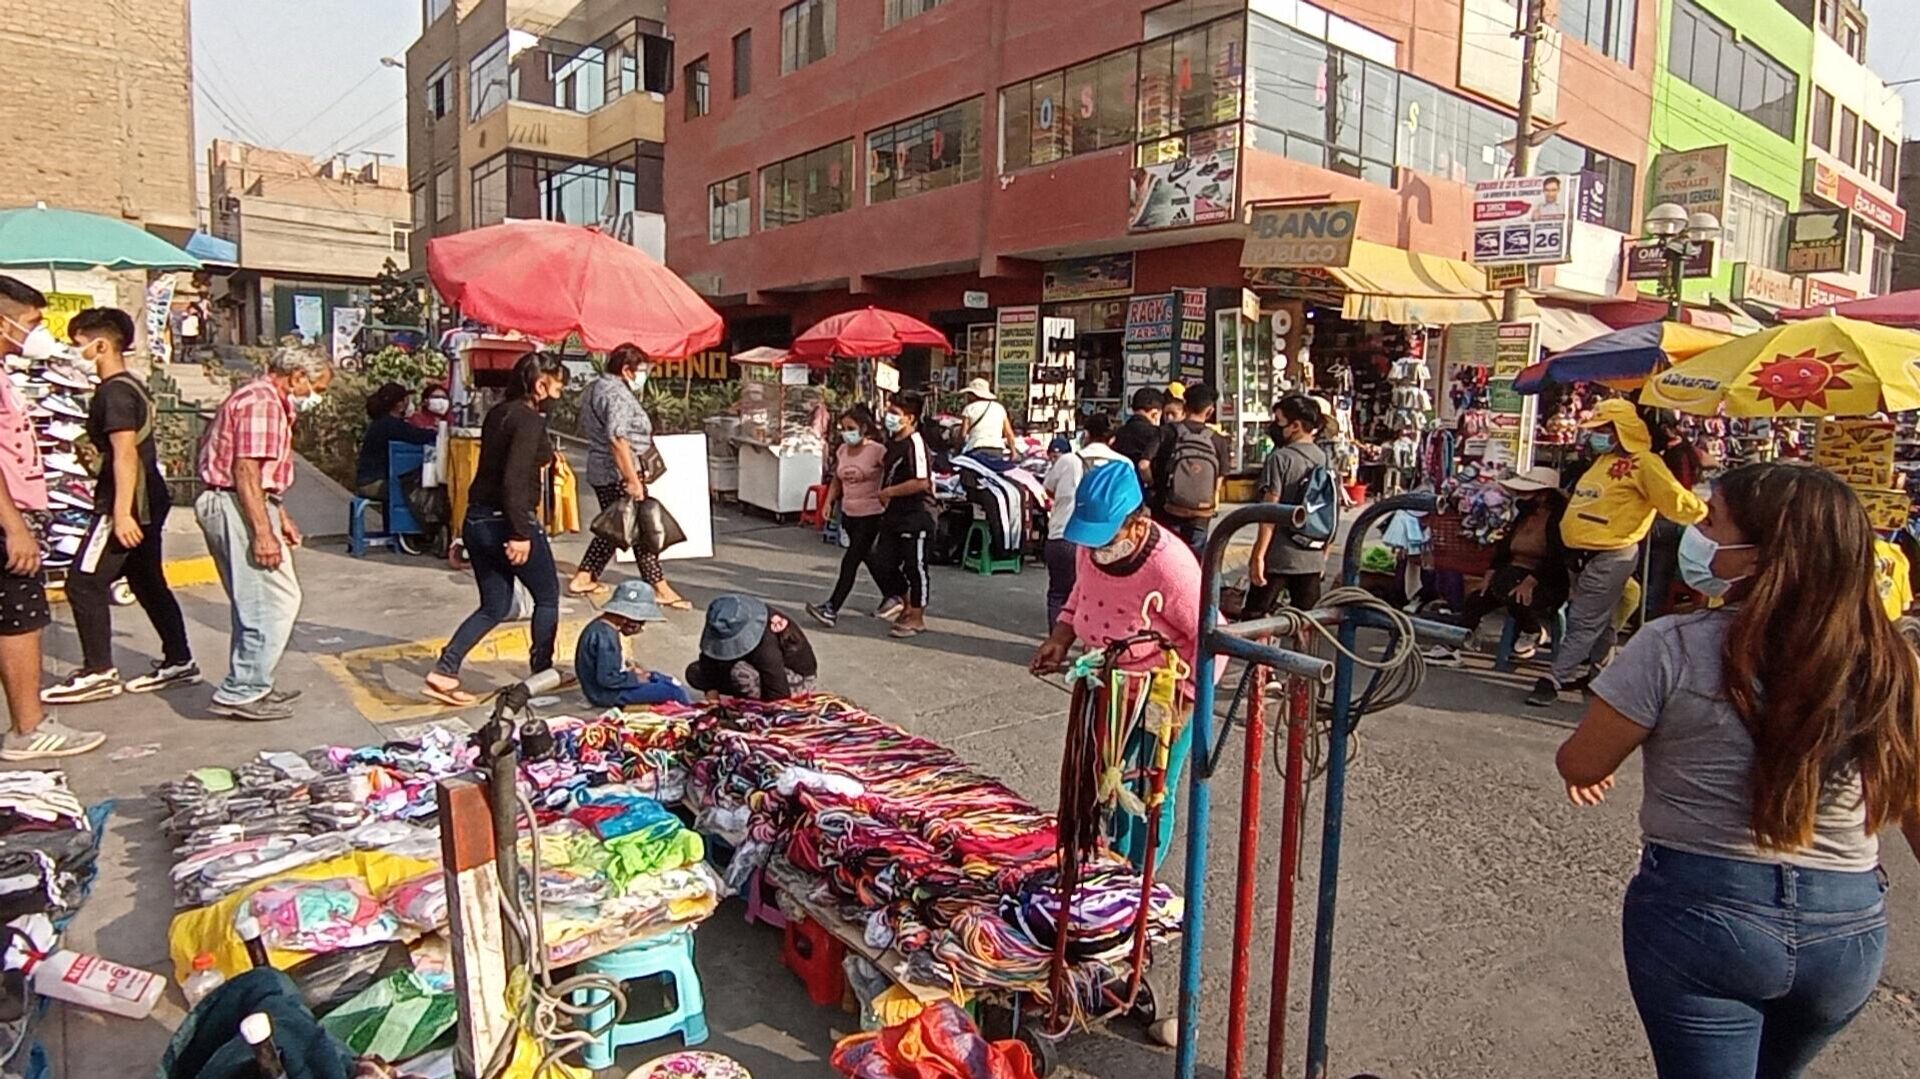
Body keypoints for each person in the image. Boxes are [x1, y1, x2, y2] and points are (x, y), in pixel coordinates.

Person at [1556, 463, 1920, 1079]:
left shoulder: (1672, 644)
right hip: (1847, 929)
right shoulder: (1892, 664)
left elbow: (1583, 760)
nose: (1699, 534)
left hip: (1705, 917)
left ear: (1762, 551)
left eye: (1714, 522)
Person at [1030, 462, 1202, 869]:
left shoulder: (1171, 566)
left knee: (1150, 788)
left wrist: (1186, 698)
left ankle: (1140, 881)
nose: (1098, 549)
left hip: (1162, 689)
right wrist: (1060, 638)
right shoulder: (1090, 550)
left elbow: (1209, 637)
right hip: (1109, 682)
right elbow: (1080, 595)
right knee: (1104, 777)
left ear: (1137, 524)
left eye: (1107, 537)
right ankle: (1114, 859)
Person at [42, 307, 198, 705]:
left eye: (78, 345)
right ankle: (179, 659)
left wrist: (122, 513)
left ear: (101, 345)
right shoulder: (131, 385)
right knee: (146, 580)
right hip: (148, 497)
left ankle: (98, 670)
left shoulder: (114, 392)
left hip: (126, 502)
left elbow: (125, 454)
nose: (74, 352)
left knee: (84, 582)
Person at [1527, 398, 1705, 706]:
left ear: (1620, 429)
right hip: (1580, 556)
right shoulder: (1603, 462)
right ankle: (1600, 674)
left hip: (1610, 554)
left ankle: (1555, 677)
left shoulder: (1646, 463)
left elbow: (1676, 499)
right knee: (1602, 619)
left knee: (1584, 620)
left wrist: (1707, 516)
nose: (1598, 436)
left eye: (1604, 429)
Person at [196, 344, 333, 722]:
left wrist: (279, 514)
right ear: (297, 377)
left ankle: (253, 679)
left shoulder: (260, 398)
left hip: (246, 502)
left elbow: (258, 474)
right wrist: (262, 531)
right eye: (316, 388)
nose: (316, 397)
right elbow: (246, 470)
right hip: (236, 504)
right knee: (271, 602)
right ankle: (243, 689)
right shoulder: (264, 403)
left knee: (259, 599)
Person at [424, 353, 569, 707]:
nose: (562, 390)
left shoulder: (500, 414)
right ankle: (542, 670)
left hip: (478, 519)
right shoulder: (528, 421)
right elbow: (515, 479)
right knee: (547, 597)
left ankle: (445, 669)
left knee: (495, 605)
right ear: (540, 385)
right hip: (509, 520)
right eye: (558, 383)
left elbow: (526, 461)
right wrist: (520, 533)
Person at [0, 278, 100, 758]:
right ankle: (28, 728)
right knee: (19, 620)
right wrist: (14, 524)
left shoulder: (5, 371)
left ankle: (29, 721)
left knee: (22, 616)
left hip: (21, 509)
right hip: (7, 517)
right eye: (32, 323)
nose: (37, 332)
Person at [568, 345, 690, 609]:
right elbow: (618, 438)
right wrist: (632, 479)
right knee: (636, 528)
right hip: (618, 472)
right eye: (641, 370)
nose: (643, 375)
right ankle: (660, 587)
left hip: (603, 469)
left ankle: (585, 576)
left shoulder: (597, 387)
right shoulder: (617, 395)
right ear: (626, 370)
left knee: (617, 527)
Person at [1423, 466, 1570, 667]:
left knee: (1515, 594)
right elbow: (1503, 551)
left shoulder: (1560, 520)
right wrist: (1489, 575)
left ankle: (1532, 630)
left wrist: (1531, 581)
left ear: (1544, 495)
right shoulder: (1524, 515)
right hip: (1511, 574)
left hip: (1545, 580)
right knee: (1477, 599)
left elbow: (1557, 559)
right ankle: (1453, 646)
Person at [1245, 395, 1330, 617]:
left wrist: (1258, 555)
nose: (1275, 427)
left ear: (1296, 426)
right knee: (1307, 622)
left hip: (1279, 556)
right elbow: (1330, 510)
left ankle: (1257, 653)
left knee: (1254, 617)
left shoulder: (1280, 459)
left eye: (1279, 421)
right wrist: (1324, 553)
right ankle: (1302, 653)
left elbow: (1269, 512)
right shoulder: (1324, 459)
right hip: (1312, 555)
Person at [807, 405, 889, 628]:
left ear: (864, 428)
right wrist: (828, 503)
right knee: (868, 556)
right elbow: (837, 480)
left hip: (872, 513)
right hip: (849, 513)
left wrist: (888, 498)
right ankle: (894, 594)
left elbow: (891, 475)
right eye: (843, 428)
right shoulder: (842, 450)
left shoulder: (877, 451)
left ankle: (832, 608)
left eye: (851, 428)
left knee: (850, 560)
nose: (846, 432)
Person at [1040, 412, 1125, 626]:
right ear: (1112, 439)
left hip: (1064, 536)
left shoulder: (1067, 460)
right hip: (1106, 541)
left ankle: (1056, 647)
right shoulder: (1124, 465)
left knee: (1060, 594)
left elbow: (1048, 490)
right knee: (1101, 598)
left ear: (1085, 435)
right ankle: (1093, 648)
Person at [872, 391, 935, 639]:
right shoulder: (893, 443)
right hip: (893, 514)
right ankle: (906, 604)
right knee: (883, 560)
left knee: (915, 566)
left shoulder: (916, 443)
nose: (889, 417)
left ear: (910, 418)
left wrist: (889, 491)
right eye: (889, 411)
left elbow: (922, 482)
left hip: (916, 514)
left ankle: (917, 616)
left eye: (895, 413)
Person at [574, 580, 692, 708]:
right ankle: (692, 715)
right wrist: (636, 679)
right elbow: (608, 679)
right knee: (674, 691)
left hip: (603, 689)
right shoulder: (606, 638)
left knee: (662, 679)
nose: (641, 627)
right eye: (640, 622)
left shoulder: (599, 627)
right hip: (605, 694)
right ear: (627, 618)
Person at [686, 595, 819, 701]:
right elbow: (709, 657)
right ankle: (745, 692)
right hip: (761, 668)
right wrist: (711, 692)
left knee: (741, 673)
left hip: (794, 679)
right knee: (696, 672)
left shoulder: (766, 644)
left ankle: (751, 700)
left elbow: (779, 692)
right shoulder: (726, 618)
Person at [1150, 383, 1225, 553]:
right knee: (1196, 557)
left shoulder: (1167, 432)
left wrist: (1154, 484)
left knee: (1168, 554)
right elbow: (1219, 480)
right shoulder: (1217, 440)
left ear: (1184, 407)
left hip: (1169, 506)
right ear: (1210, 411)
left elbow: (1144, 464)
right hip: (1201, 512)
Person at [354, 382, 436, 501]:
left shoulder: (382, 422)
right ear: (400, 405)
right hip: (373, 483)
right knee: (414, 493)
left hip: (368, 479)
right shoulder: (391, 425)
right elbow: (418, 435)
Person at [1112, 387, 1166, 482]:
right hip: (1144, 489)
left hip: (1119, 486)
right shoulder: (1156, 434)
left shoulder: (1118, 433)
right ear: (1155, 414)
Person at [957, 378, 1015, 459]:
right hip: (997, 449)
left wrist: (957, 449)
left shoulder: (969, 408)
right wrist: (1013, 451)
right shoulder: (999, 408)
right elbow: (1009, 433)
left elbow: (962, 434)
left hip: (977, 448)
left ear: (974, 395)